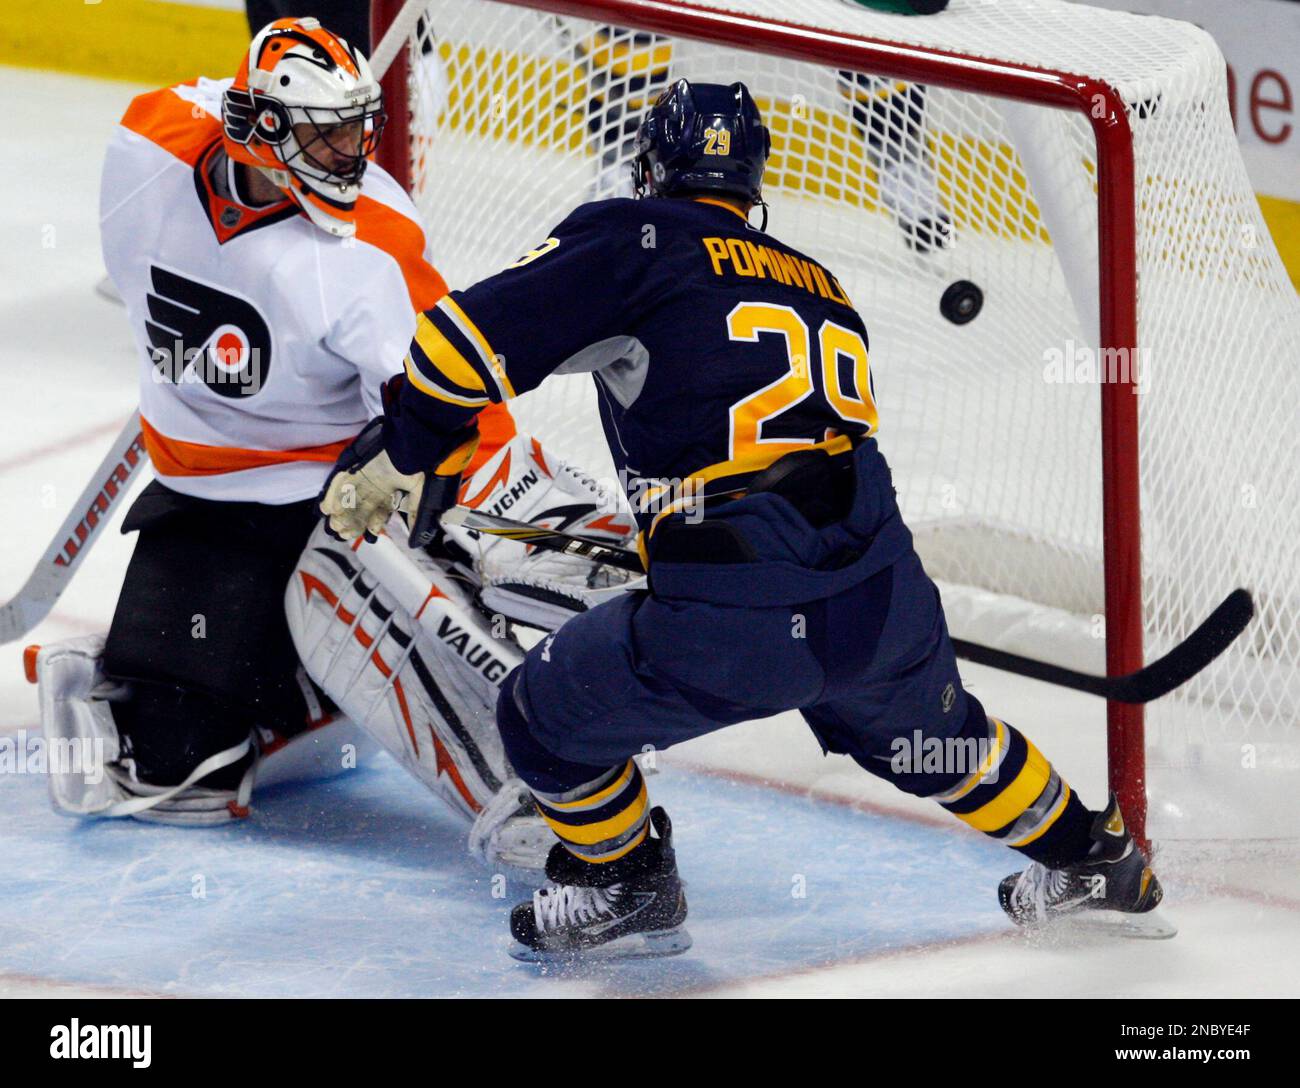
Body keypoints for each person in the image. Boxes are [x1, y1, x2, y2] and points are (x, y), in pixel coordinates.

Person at [319, 79, 1168, 961]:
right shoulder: (823, 282)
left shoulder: (633, 239)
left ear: (651, 170)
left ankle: (627, 881)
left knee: (541, 718)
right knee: (941, 742)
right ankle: (1092, 860)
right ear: (753, 178)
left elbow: (458, 345)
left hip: (736, 611)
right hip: (878, 588)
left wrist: (405, 450)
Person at [33, 17, 521, 827]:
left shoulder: (370, 241)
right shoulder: (144, 147)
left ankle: (338, 669)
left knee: (220, 741)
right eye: (325, 136)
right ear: (258, 130)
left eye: (355, 131)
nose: (351, 156)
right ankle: (285, 672)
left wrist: (457, 538)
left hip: (324, 507)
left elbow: (457, 401)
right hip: (197, 493)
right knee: (176, 762)